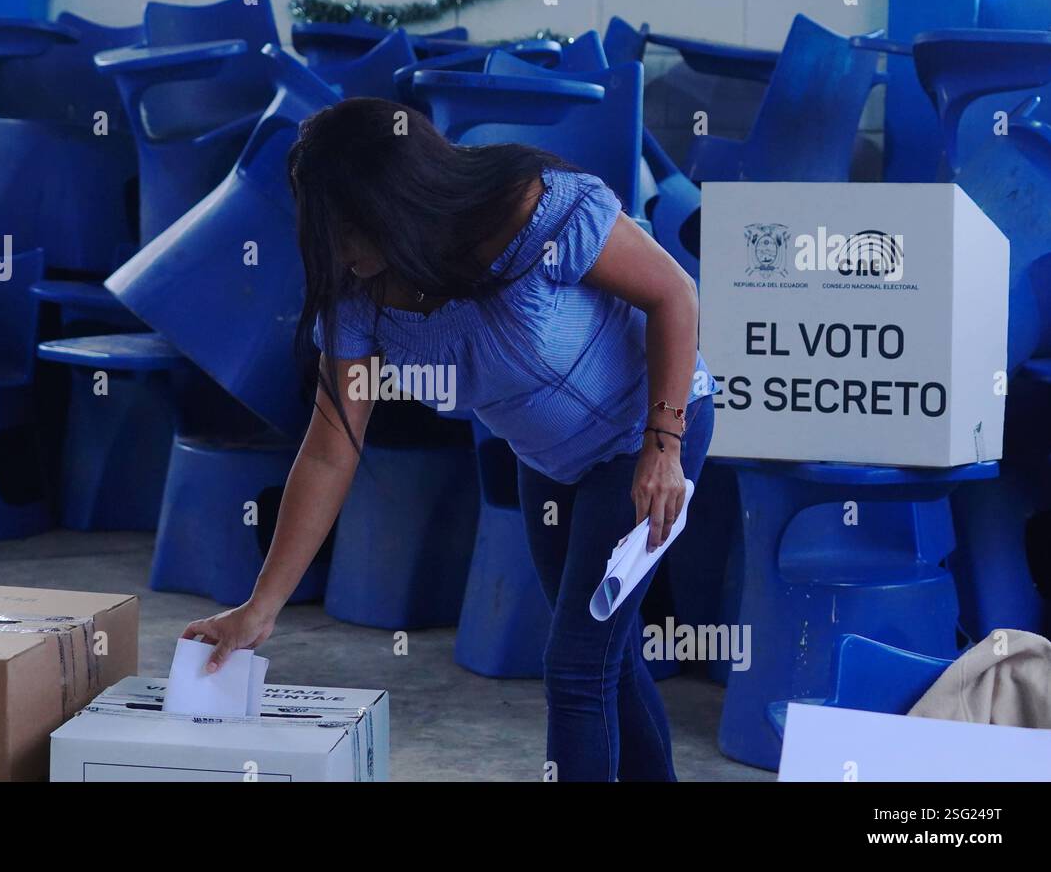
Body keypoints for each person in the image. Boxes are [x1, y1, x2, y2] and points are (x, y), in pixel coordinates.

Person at [184, 98, 715, 781]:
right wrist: (262, 606)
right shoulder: (359, 298)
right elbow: (329, 445)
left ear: (396, 203)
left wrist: (664, 446)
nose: (337, 254)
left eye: (347, 231)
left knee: (578, 664)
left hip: (649, 431)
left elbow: (674, 294)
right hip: (552, 463)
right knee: (604, 656)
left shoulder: (535, 211)